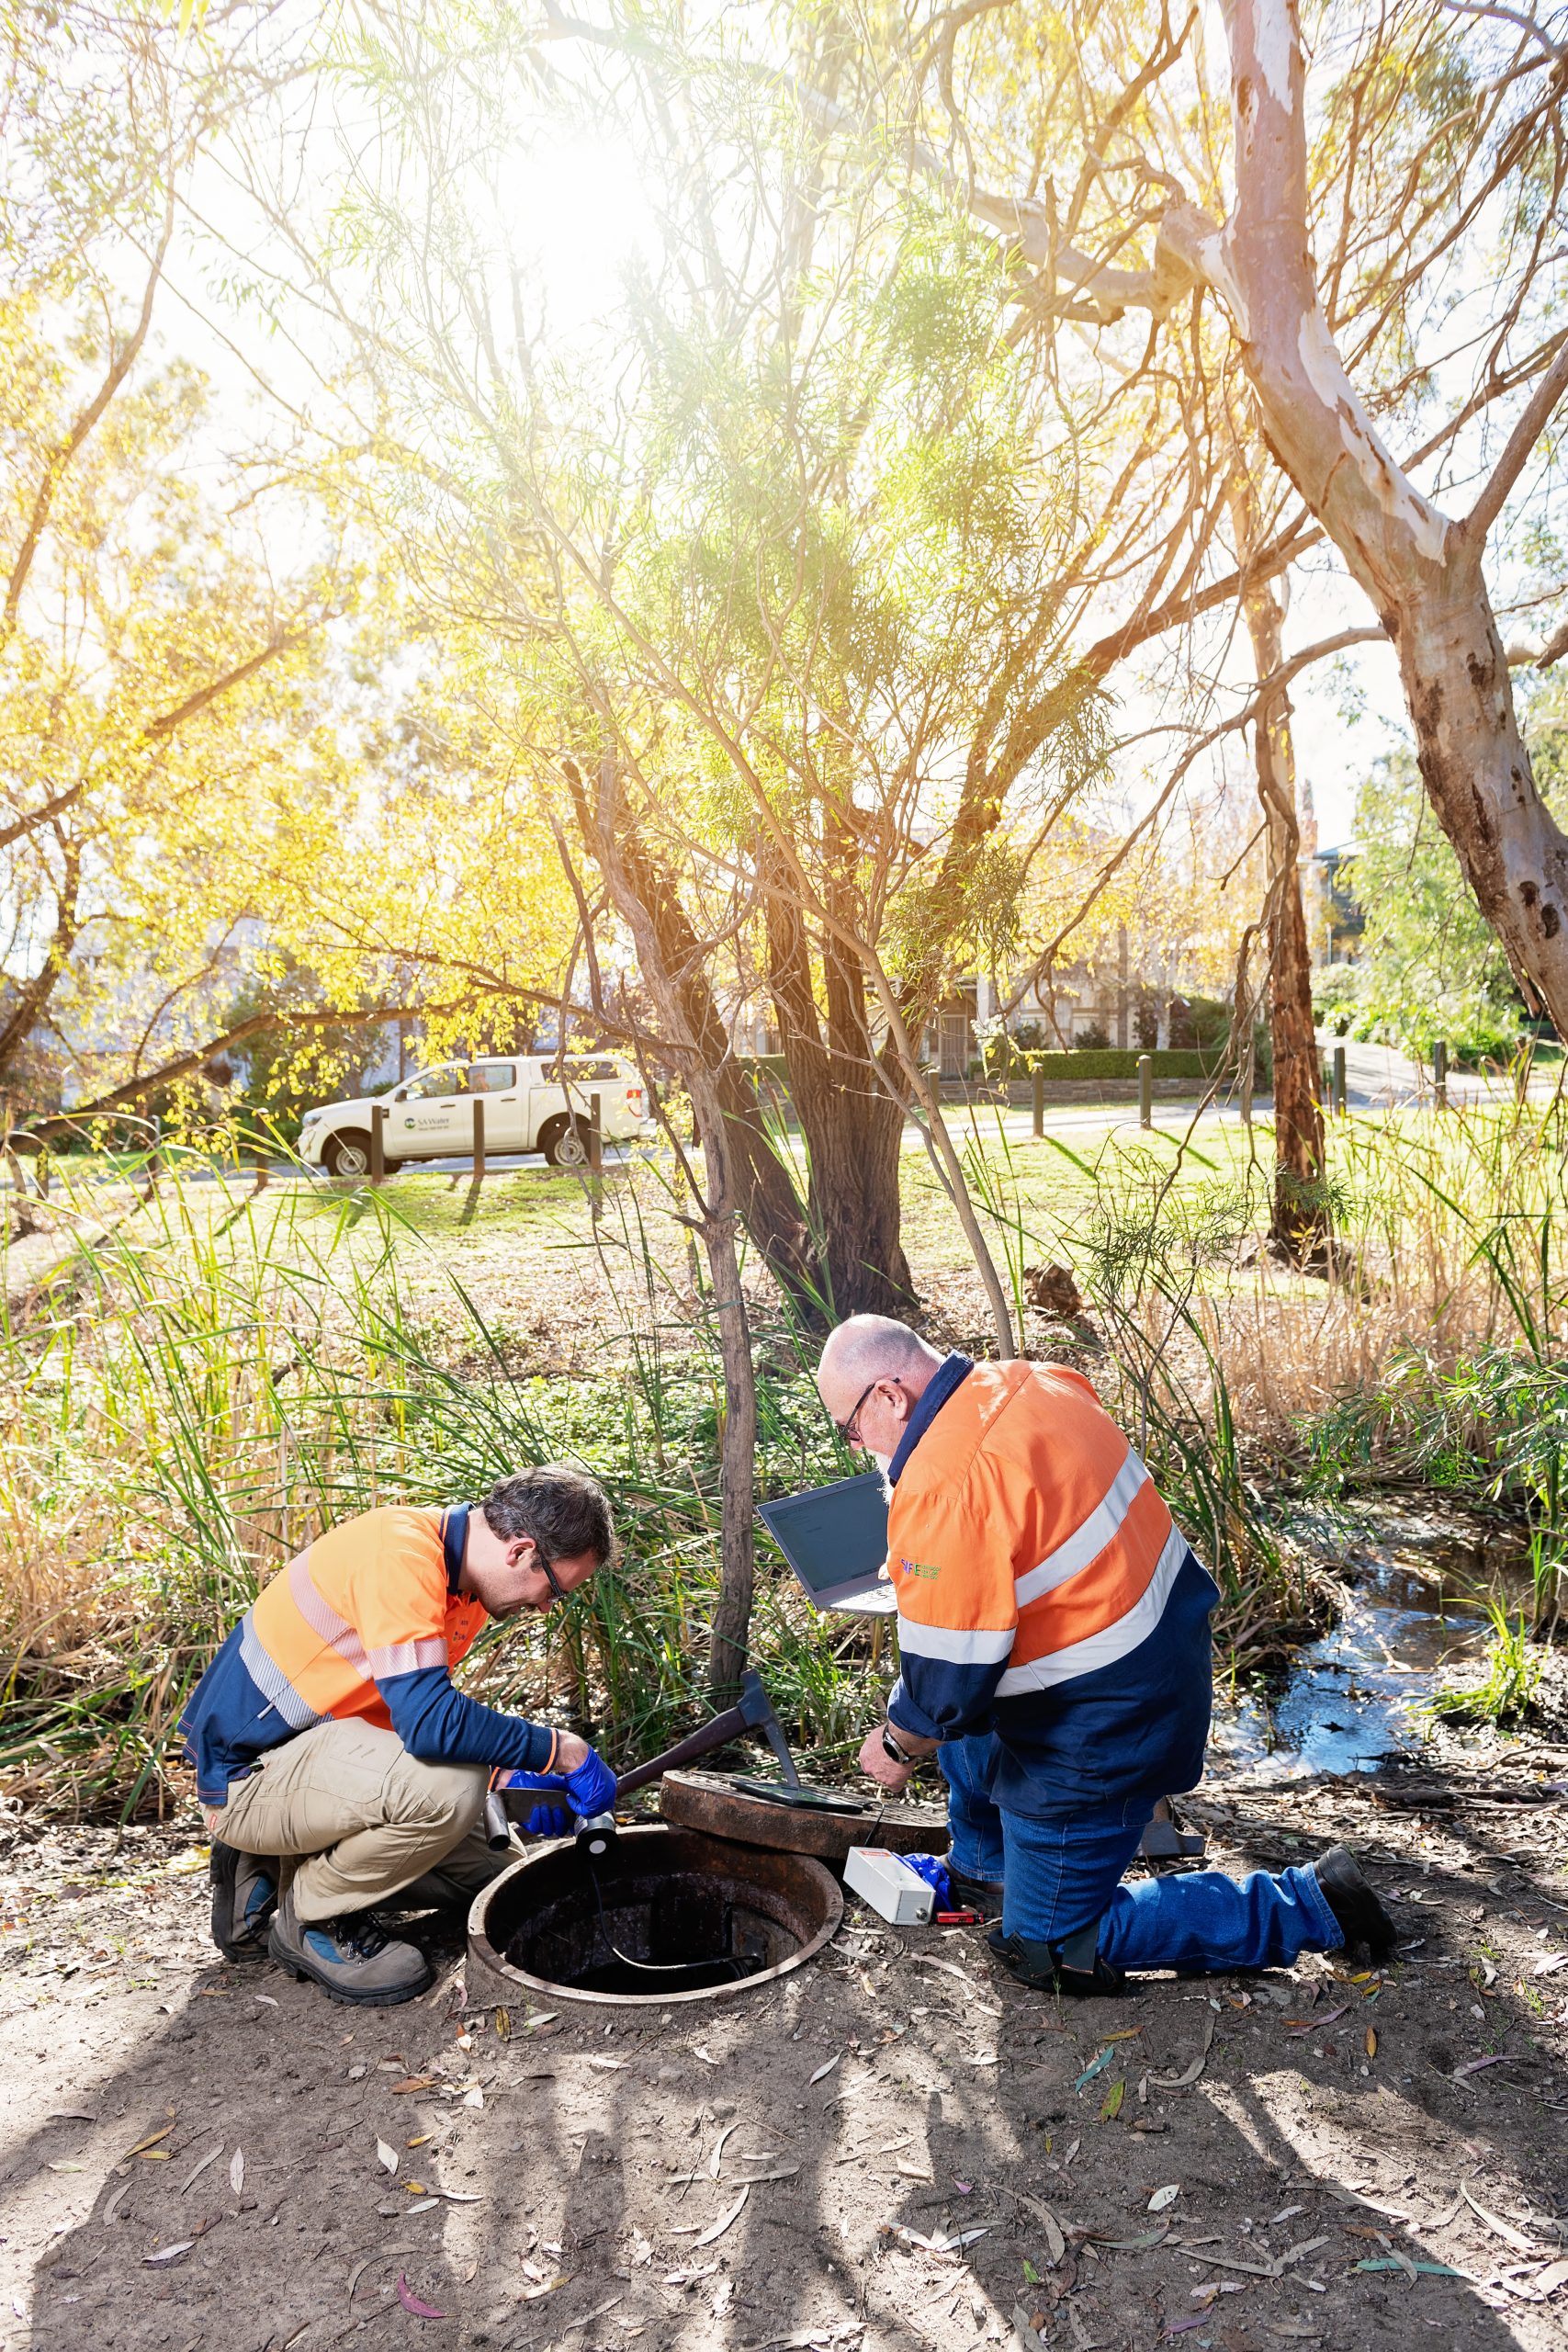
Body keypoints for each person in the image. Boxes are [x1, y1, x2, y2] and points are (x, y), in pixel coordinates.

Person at [815, 1316, 1395, 1993]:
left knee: (1051, 1950)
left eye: (850, 1427)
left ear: (890, 1395)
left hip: (1105, 1721)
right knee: (966, 1727)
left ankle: (1311, 1903)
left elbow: (942, 1690)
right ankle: (984, 1869)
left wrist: (894, 1745)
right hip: (1148, 1648)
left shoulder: (940, 1484)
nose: (857, 1445)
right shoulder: (1034, 1380)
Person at [180, 1466, 618, 2006]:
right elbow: (430, 1725)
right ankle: (311, 1915)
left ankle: (271, 1868)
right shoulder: (400, 1557)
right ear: (519, 1550)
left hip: (315, 1768)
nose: (547, 1605)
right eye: (553, 1587)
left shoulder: (460, 1590)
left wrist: (510, 1776)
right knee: (451, 1793)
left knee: (499, 1877)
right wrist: (559, 1750)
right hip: (251, 1781)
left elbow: (397, 1719)